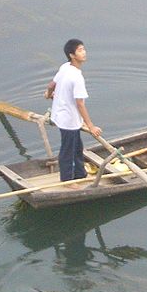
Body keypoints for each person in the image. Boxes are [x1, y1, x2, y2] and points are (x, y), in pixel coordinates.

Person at [44, 39, 102, 187]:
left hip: (62, 115)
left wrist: (49, 94)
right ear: (72, 55)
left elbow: (51, 84)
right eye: (80, 50)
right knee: (68, 149)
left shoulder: (65, 67)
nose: (84, 52)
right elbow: (80, 104)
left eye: (84, 49)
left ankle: (80, 173)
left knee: (77, 146)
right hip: (68, 120)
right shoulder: (77, 77)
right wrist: (91, 126)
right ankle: (67, 180)